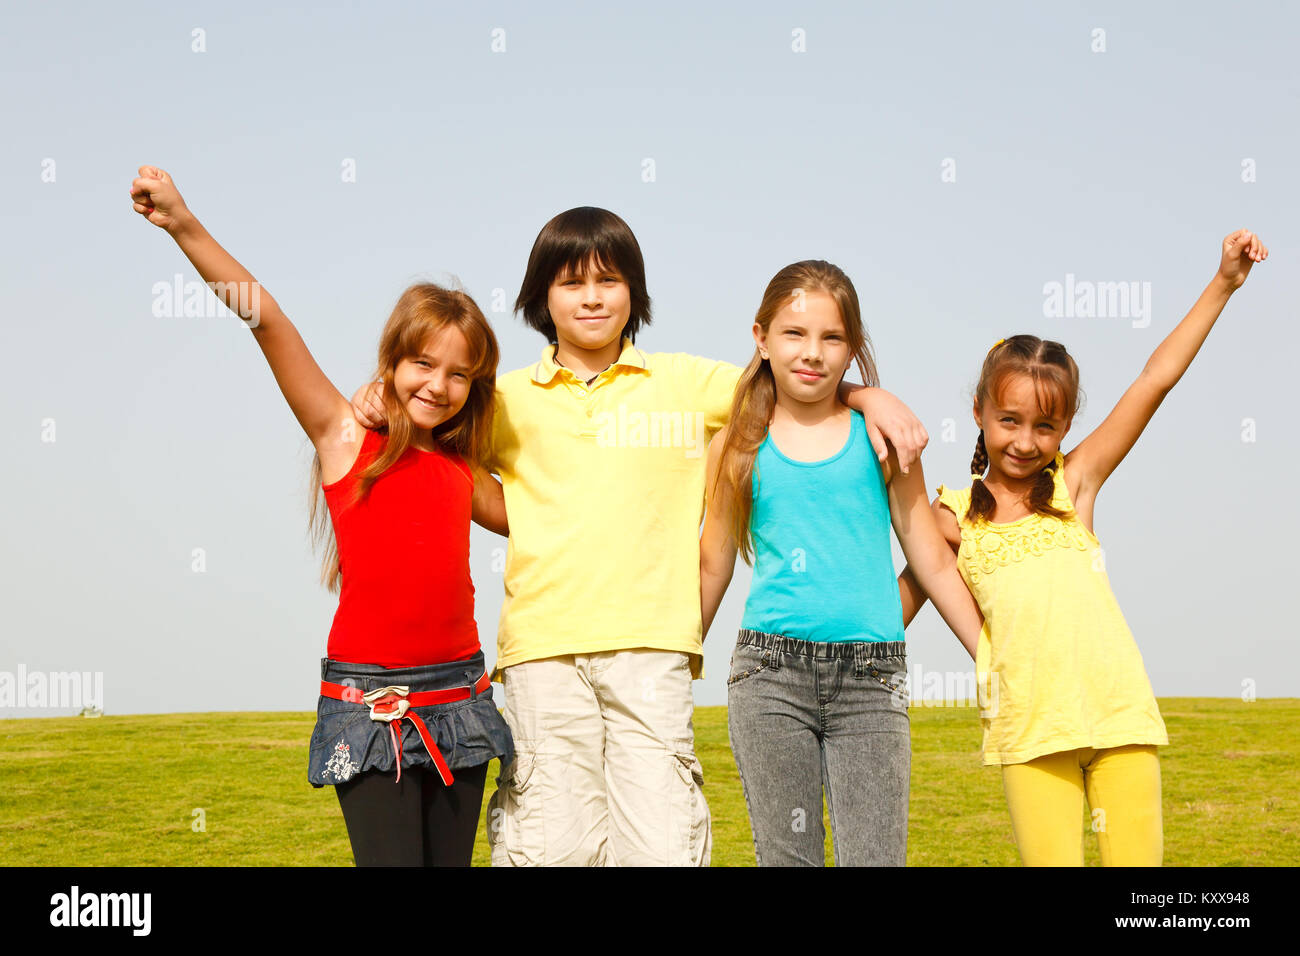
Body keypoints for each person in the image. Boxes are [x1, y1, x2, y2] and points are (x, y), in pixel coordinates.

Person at [350, 208, 931, 866]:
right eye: (571, 283)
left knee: (662, 843)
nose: (593, 297)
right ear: (541, 296)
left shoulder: (687, 382)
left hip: (652, 652)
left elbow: (794, 377)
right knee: (552, 845)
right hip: (544, 654)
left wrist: (866, 397)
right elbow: (440, 446)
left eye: (610, 279)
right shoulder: (504, 400)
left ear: (636, 294)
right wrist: (378, 397)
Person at [129, 166, 514, 867]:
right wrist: (184, 224)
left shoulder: (466, 472)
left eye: (460, 374)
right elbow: (265, 318)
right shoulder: (343, 435)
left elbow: (554, 514)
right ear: (393, 361)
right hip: (370, 700)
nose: (438, 385)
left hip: (460, 693)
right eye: (423, 363)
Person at [898, 229, 1269, 866]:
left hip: (1120, 718)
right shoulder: (954, 516)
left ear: (1066, 426)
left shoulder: (1074, 484)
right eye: (1010, 420)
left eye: (1046, 425)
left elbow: (1155, 379)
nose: (1025, 440)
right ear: (981, 411)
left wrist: (1224, 284)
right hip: (1032, 732)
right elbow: (898, 600)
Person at [698, 260, 982, 866]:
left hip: (871, 681)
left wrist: (992, 655)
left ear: (852, 347)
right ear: (761, 338)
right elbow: (711, 564)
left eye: (832, 337)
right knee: (788, 858)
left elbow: (928, 554)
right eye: (794, 334)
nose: (813, 353)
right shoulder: (736, 442)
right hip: (768, 676)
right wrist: (677, 661)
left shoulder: (883, 439)